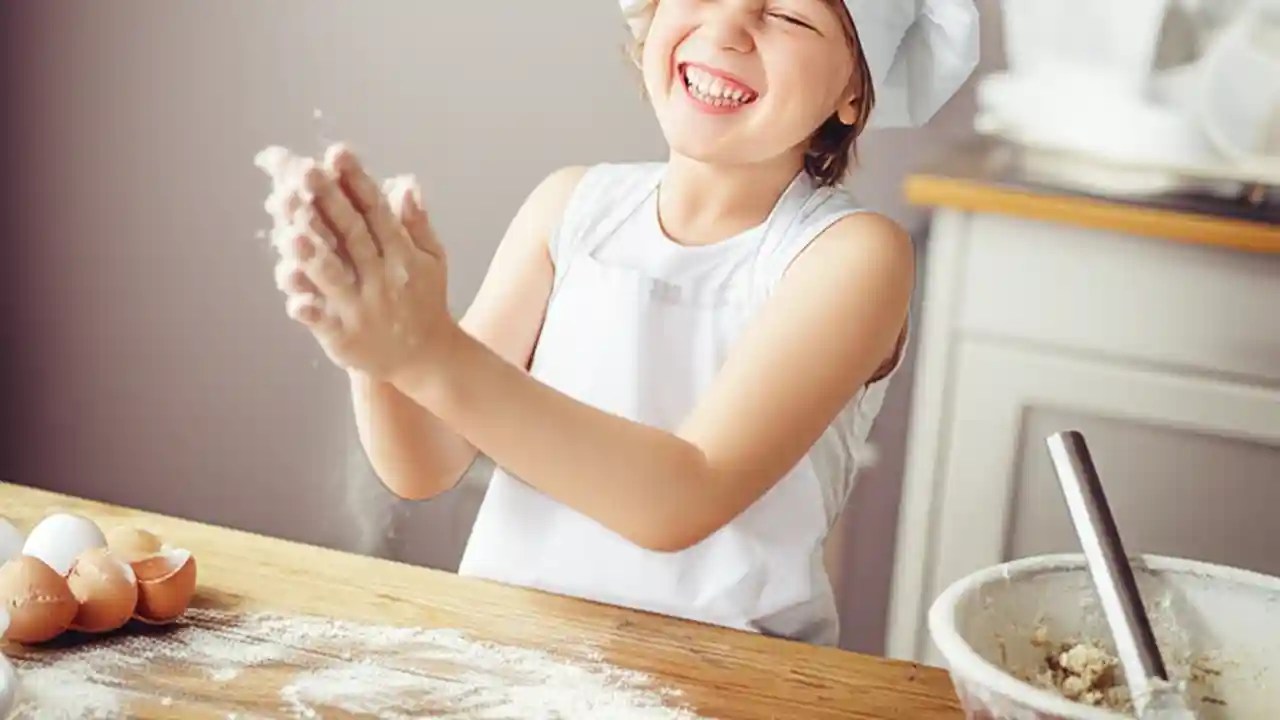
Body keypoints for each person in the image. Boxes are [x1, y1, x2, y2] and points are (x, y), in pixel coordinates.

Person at [255, 0, 979, 646]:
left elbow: (682, 496)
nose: (727, 25)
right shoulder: (569, 208)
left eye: (788, 14)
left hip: (730, 681)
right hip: (511, 654)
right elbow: (423, 462)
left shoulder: (851, 258)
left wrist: (427, 350)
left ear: (856, 88)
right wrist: (370, 334)